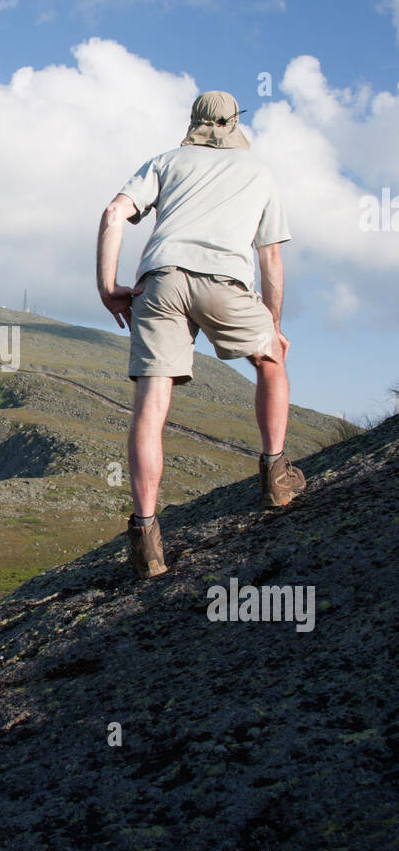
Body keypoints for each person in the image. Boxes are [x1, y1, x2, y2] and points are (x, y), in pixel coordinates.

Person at [96, 90, 305, 579]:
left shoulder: (166, 161)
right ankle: (276, 475)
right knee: (270, 361)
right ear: (235, 124)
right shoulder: (259, 172)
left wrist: (108, 287)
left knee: (152, 399)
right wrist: (272, 328)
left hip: (161, 280)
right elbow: (269, 258)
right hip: (225, 283)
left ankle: (147, 540)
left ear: (193, 121)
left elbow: (113, 215)